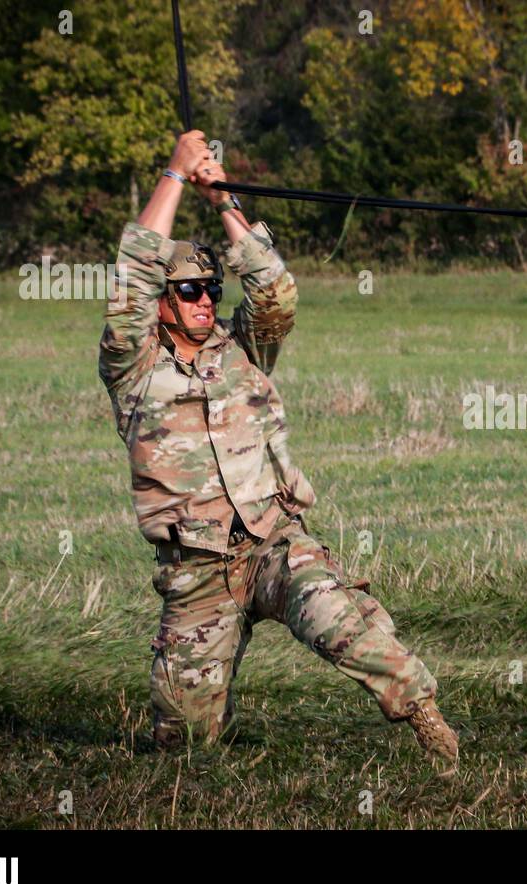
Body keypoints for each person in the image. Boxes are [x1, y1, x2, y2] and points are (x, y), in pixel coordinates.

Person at [97, 129, 458, 771]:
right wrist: (176, 175)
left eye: (211, 288)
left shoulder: (245, 350)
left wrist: (223, 198)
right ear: (161, 304)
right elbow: (131, 278)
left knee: (337, 619)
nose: (206, 299)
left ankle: (422, 711)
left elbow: (275, 293)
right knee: (183, 749)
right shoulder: (133, 367)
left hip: (273, 541)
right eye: (188, 291)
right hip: (197, 571)